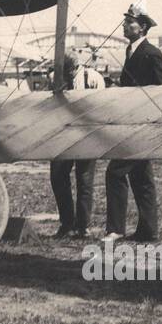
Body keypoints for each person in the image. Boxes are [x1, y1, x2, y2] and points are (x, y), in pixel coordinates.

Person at [105, 5, 162, 240]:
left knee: (115, 173)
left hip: (143, 125)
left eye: (129, 21)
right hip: (134, 124)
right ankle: (148, 231)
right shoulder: (132, 51)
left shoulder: (151, 54)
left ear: (142, 27)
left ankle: (115, 230)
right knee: (141, 178)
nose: (124, 25)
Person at [50, 51, 103, 237]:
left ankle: (83, 226)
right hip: (63, 133)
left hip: (87, 134)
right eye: (64, 72)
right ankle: (66, 223)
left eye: (70, 71)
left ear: (76, 67)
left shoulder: (94, 78)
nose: (67, 75)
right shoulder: (54, 78)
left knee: (85, 180)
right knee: (57, 176)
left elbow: (101, 105)